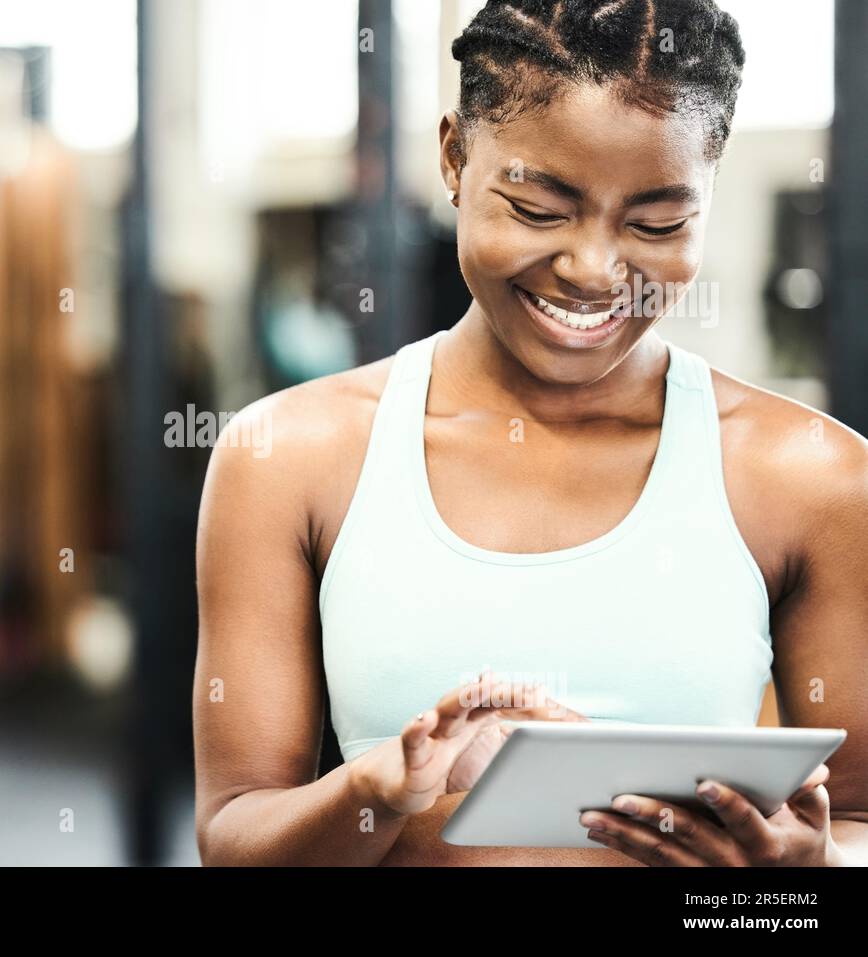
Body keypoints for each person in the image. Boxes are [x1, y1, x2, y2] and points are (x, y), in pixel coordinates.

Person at [192, 0, 868, 866]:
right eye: (540, 208)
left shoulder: (813, 476)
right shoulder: (285, 457)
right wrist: (377, 792)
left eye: (657, 223)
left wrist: (806, 872)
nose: (594, 269)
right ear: (454, 155)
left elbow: (855, 821)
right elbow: (234, 838)